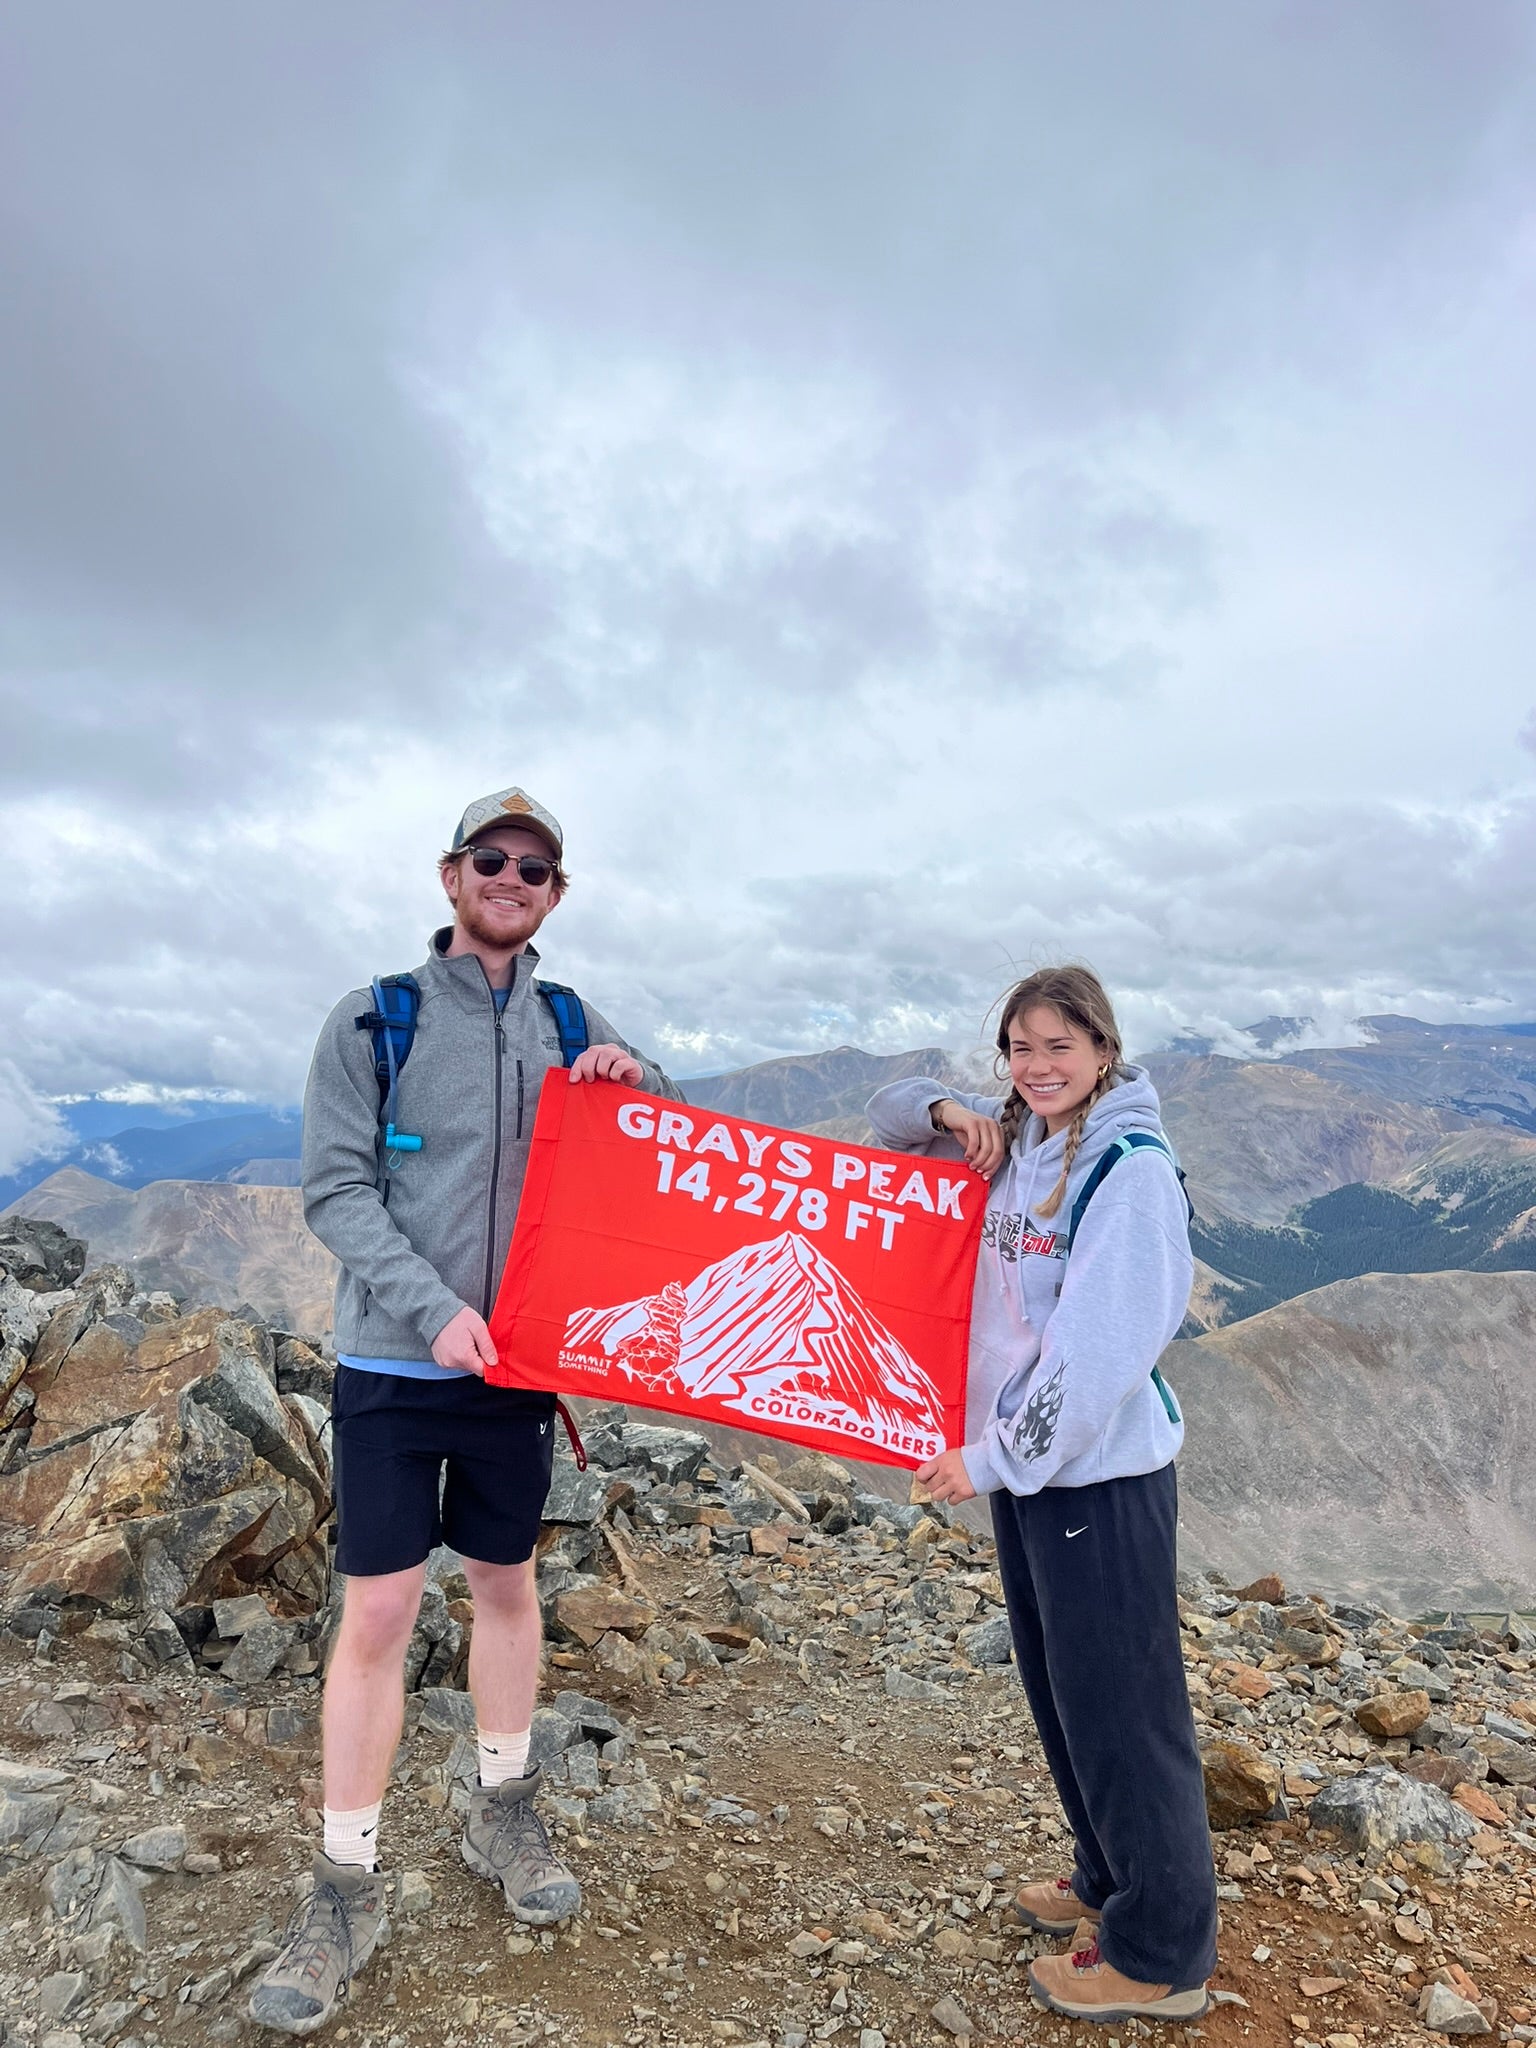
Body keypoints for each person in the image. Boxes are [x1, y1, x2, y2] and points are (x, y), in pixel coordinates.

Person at [251, 786, 680, 2037]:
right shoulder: (371, 1017)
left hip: (518, 1373)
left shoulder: (564, 1015)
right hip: (397, 1363)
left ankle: (501, 1805)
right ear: (451, 878)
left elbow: (661, 1115)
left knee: (505, 1580)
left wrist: (627, 1068)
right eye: (491, 859)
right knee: (380, 1605)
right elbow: (334, 1189)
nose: (512, 878)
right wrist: (433, 1308)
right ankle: (342, 1880)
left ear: (555, 895)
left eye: (536, 867)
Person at [866, 965, 1217, 2025]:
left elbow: (1101, 1346)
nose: (1038, 1065)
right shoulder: (1020, 1137)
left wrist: (993, 1454)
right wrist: (945, 1111)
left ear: (1103, 1048)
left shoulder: (1129, 1167)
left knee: (1124, 1709)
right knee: (1066, 1692)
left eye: (1059, 1046)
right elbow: (885, 1115)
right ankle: (1108, 1876)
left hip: (1097, 1475)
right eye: (1020, 1047)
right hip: (1037, 1473)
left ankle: (1161, 1950)